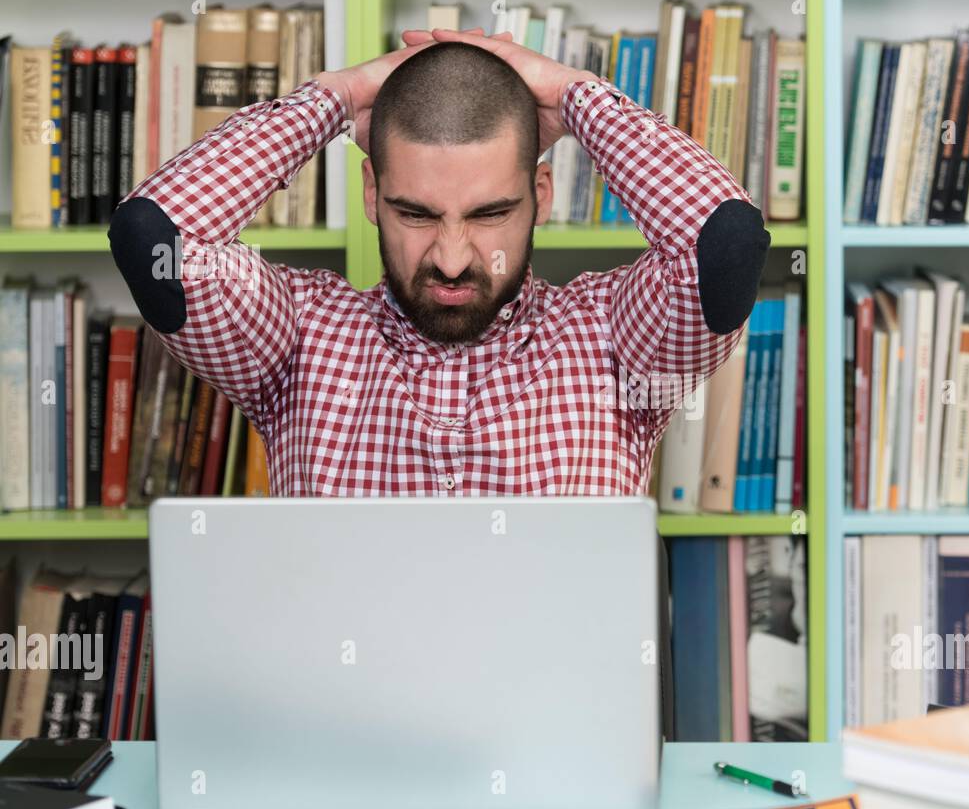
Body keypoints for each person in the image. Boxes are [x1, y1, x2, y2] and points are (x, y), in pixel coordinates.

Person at [108, 27, 770, 498]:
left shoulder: (615, 339)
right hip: (346, 698)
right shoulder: (299, 338)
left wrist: (571, 92)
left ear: (540, 196)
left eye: (488, 215)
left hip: (559, 699)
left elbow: (723, 244)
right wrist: (338, 98)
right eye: (417, 214)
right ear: (372, 193)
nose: (452, 261)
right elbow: (158, 240)